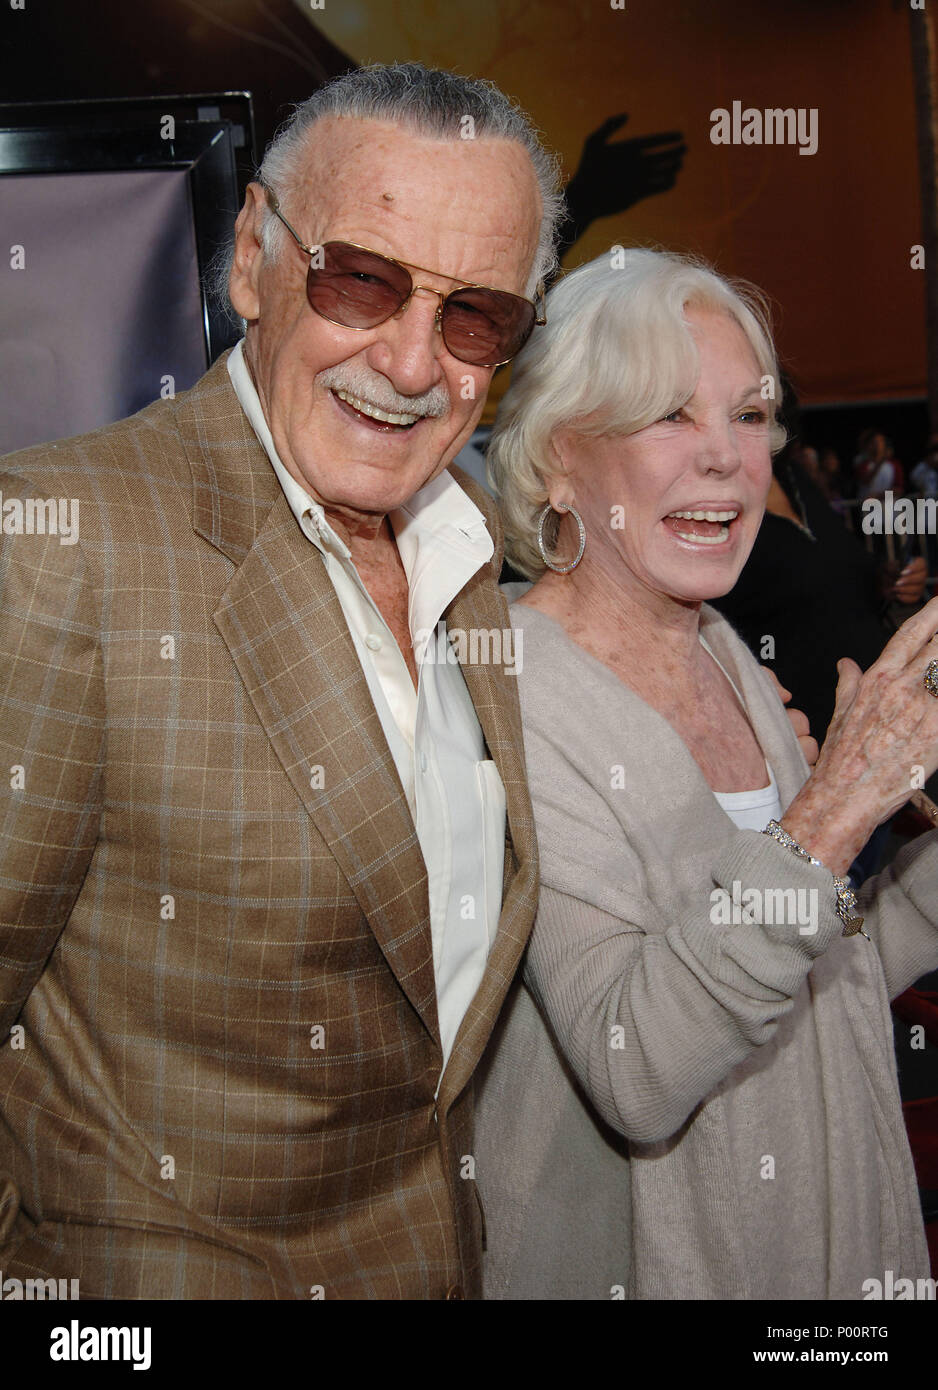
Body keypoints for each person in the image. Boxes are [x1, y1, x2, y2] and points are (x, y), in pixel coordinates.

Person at [0, 62, 558, 1300]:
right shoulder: (61, 544)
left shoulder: (467, 548)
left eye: (474, 316)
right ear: (253, 253)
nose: (412, 363)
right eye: (361, 279)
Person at [475, 248, 938, 1300]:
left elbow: (826, 965)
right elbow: (635, 1063)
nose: (729, 458)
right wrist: (833, 806)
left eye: (747, 415)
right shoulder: (508, 691)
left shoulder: (720, 647)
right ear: (556, 454)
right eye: (670, 416)